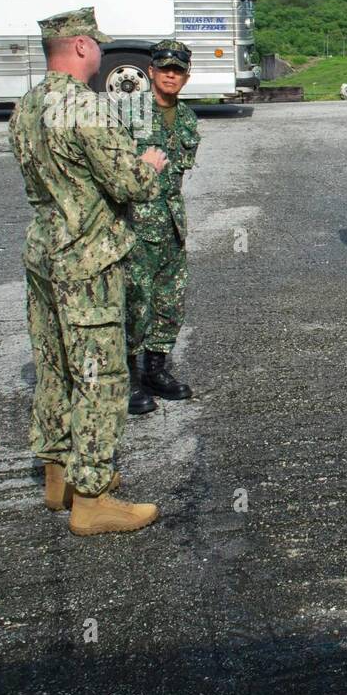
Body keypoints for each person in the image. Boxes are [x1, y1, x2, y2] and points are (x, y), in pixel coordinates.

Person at [8, 7, 166, 536]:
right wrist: (150, 165)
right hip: (88, 258)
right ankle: (92, 496)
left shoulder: (27, 105)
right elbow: (131, 185)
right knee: (101, 375)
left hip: (43, 251)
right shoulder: (87, 108)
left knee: (53, 365)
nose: (101, 53)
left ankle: (59, 474)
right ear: (79, 47)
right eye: (96, 44)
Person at [126, 39, 200, 415]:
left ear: (186, 76)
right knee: (133, 302)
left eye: (178, 70)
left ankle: (156, 370)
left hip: (171, 223)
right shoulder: (127, 111)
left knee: (169, 301)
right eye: (165, 68)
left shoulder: (187, 118)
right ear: (151, 71)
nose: (171, 75)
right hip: (134, 225)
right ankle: (129, 379)